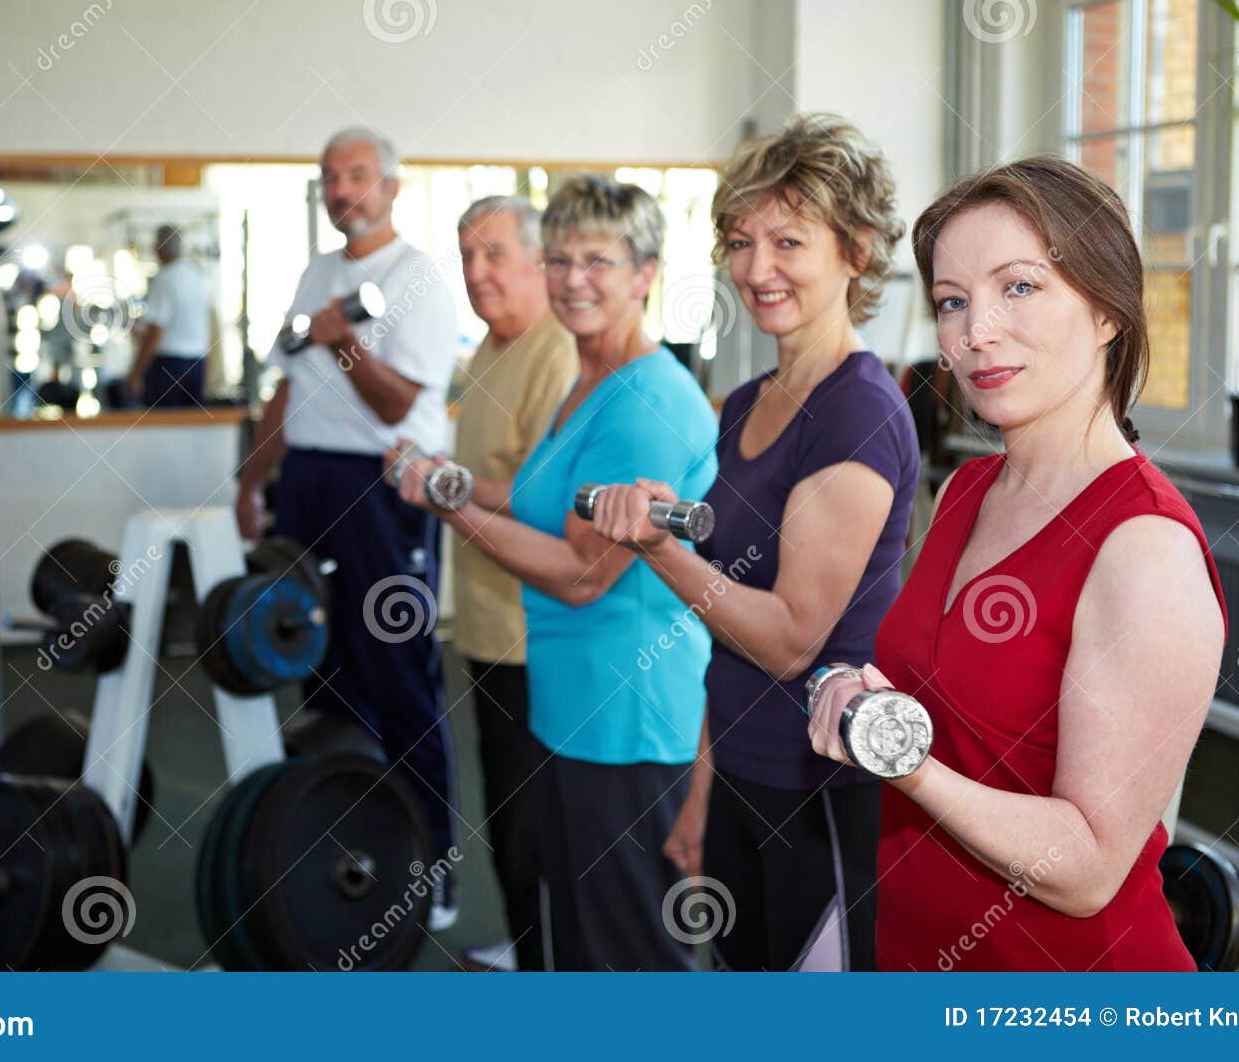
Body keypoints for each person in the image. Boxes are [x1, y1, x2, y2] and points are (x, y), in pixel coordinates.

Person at [807, 156, 1227, 971]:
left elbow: (1088, 865)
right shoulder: (967, 487)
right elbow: (954, 703)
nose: (976, 332)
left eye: (1020, 287)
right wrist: (864, 695)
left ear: (1107, 308)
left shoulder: (1144, 547)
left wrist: (905, 763)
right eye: (953, 302)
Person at [588, 115, 919, 971]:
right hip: (738, 770)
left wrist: (660, 552)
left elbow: (787, 636)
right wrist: (701, 794)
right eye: (740, 241)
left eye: (787, 240)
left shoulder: (857, 410)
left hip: (820, 786)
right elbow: (724, 633)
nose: (756, 268)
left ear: (856, 249)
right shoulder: (743, 402)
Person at [392, 175, 717, 970]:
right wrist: (455, 479)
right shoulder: (586, 383)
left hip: (629, 722)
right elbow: (546, 504)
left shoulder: (648, 401)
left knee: (630, 966)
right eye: (563, 259)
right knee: (577, 951)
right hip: (570, 709)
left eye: (599, 261)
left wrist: (447, 504)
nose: (575, 279)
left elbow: (581, 571)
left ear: (645, 274)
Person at [233, 127, 462, 927]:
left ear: (391, 187)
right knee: (322, 674)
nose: (343, 189)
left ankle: (433, 867)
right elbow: (287, 389)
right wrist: (251, 477)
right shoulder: (315, 272)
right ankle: (356, 846)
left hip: (384, 485)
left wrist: (343, 343)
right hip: (309, 484)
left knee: (400, 677)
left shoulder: (417, 278)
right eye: (331, 177)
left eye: (358, 175)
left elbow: (399, 403)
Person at [435, 196, 577, 971]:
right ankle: (529, 950)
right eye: (466, 256)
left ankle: (551, 963)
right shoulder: (488, 350)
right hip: (489, 626)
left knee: (537, 821)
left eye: (494, 254)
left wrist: (445, 485)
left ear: (536, 261)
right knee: (507, 809)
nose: (477, 272)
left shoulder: (556, 349)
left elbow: (544, 496)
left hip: (540, 634)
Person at [129, 224, 211, 408]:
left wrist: (136, 373)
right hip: (197, 362)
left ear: (159, 247)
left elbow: (155, 332)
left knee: (163, 427)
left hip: (169, 366)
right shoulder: (197, 276)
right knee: (190, 426)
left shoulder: (165, 279)